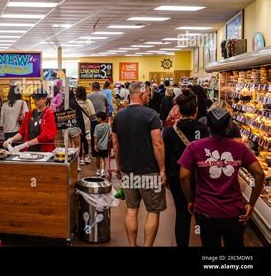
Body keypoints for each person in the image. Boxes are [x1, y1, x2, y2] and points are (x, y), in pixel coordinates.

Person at [179, 108, 265, 247]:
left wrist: (190, 200)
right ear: (229, 126)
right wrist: (251, 203)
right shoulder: (240, 148)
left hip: (205, 211)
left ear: (207, 125)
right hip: (234, 212)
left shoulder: (194, 147)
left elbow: (183, 176)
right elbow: (259, 174)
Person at [112, 82, 167, 247]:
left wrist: (119, 166)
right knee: (153, 210)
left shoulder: (119, 116)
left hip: (129, 172)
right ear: (142, 94)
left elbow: (115, 143)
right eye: (148, 94)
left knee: (131, 209)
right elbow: (157, 142)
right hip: (150, 172)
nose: (149, 97)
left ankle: (132, 245)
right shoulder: (151, 114)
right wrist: (162, 169)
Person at [162, 89, 209, 247]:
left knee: (182, 214)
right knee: (201, 215)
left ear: (179, 110)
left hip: (177, 177)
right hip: (199, 177)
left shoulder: (169, 131)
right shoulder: (202, 129)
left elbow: (166, 155)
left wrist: (166, 175)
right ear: (196, 111)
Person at [61, 89, 86, 172]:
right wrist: (82, 129)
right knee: (77, 147)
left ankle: (69, 163)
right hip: (74, 128)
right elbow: (80, 118)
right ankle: (77, 164)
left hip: (64, 128)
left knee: (68, 147)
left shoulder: (62, 105)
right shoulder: (75, 105)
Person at [87, 82, 109, 164]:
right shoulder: (104, 96)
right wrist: (105, 115)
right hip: (102, 120)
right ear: (99, 87)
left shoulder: (88, 96)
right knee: (103, 137)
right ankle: (102, 153)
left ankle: (94, 153)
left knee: (94, 136)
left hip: (92, 120)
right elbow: (107, 106)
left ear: (92, 87)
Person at [76, 86, 95, 165]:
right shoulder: (88, 102)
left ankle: (80, 159)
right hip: (87, 124)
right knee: (86, 141)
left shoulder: (75, 102)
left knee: (79, 141)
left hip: (78, 125)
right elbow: (92, 114)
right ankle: (87, 157)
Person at [94, 112, 110, 178]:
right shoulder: (108, 126)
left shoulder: (97, 126)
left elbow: (95, 136)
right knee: (103, 159)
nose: (97, 119)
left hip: (98, 145)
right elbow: (109, 135)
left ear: (100, 118)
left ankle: (98, 170)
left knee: (97, 158)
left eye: (97, 118)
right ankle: (102, 171)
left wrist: (95, 145)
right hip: (105, 145)